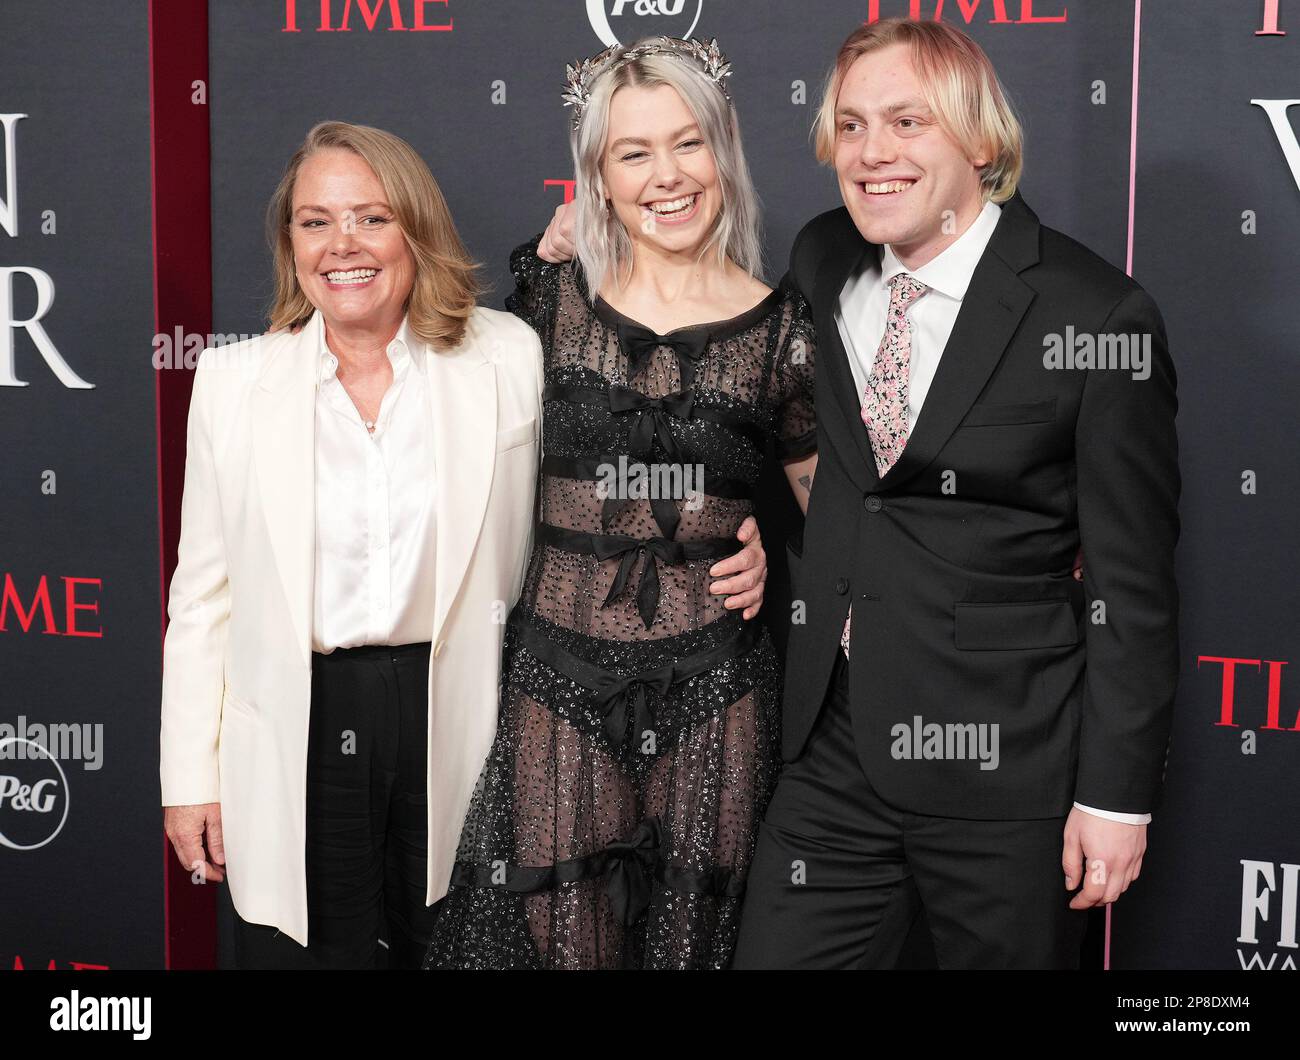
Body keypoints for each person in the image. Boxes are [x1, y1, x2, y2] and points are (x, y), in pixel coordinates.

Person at [159, 119, 764, 969]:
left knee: (458, 947)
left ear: (417, 228)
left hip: (470, 713)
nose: (343, 245)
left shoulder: (508, 354)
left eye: (371, 217)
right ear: (289, 242)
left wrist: (740, 533)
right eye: (315, 221)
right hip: (299, 718)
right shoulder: (230, 385)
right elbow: (202, 597)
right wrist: (188, 777)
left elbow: (628, 452)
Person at [724, 19, 1180, 969]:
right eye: (850, 127)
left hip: (1004, 769)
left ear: (980, 139)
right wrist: (578, 243)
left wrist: (1116, 795)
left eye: (905, 122)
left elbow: (1133, 584)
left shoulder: (1096, 315)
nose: (871, 153)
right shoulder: (821, 260)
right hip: (833, 749)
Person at [422, 36, 818, 970]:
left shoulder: (786, 332)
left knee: (694, 950)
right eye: (634, 152)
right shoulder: (547, 303)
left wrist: (777, 555)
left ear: (724, 152)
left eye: (689, 144)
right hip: (555, 684)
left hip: (720, 692)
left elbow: (842, 521)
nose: (667, 175)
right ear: (596, 177)